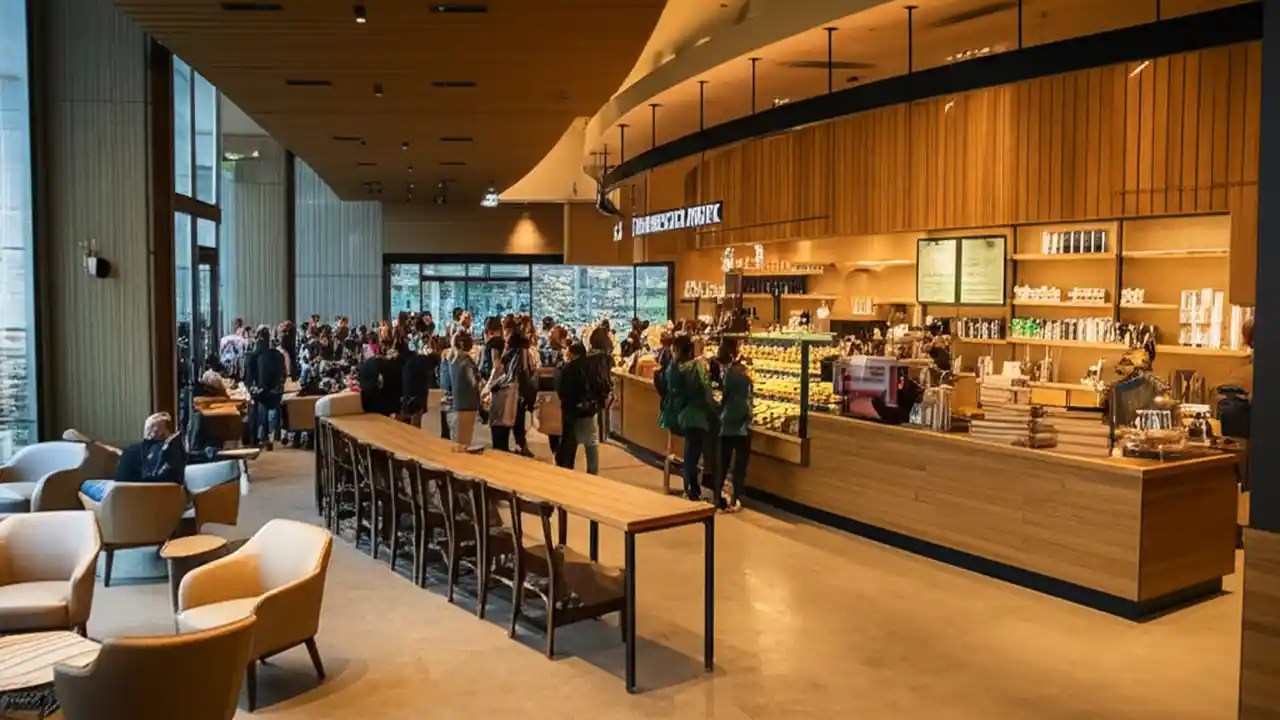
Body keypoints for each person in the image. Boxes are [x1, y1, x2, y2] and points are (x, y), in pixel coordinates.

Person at [660, 334, 721, 505]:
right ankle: (693, 490)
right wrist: (713, 406)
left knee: (690, 453)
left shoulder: (673, 369)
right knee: (693, 454)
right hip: (698, 416)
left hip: (683, 416)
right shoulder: (695, 368)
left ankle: (691, 488)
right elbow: (705, 391)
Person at [555, 341, 605, 474]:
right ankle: (593, 470)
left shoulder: (568, 368)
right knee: (591, 442)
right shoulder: (592, 367)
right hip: (589, 409)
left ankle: (567, 468)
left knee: (571, 441)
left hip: (572, 410)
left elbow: (563, 390)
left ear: (572, 353)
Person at [717, 338, 753, 512]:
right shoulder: (744, 374)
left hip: (727, 422)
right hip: (741, 424)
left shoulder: (728, 373)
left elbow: (725, 396)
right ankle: (735, 496)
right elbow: (747, 397)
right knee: (739, 464)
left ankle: (719, 496)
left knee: (723, 461)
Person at [489, 329, 538, 455]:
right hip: (516, 394)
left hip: (507, 395)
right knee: (517, 423)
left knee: (505, 424)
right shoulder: (523, 354)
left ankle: (509, 448)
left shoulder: (510, 354)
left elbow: (507, 375)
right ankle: (520, 447)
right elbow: (525, 374)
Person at [244, 326, 287, 451]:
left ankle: (256, 438)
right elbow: (284, 373)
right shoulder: (278, 354)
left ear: (258, 337)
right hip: (276, 390)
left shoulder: (253, 355)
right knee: (275, 409)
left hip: (260, 391)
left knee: (255, 410)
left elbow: (249, 377)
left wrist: (250, 388)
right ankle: (276, 435)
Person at [440, 331, 481, 447]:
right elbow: (475, 381)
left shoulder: (447, 359)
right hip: (467, 404)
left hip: (451, 405)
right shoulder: (467, 361)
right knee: (464, 443)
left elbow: (443, 383)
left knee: (455, 443)